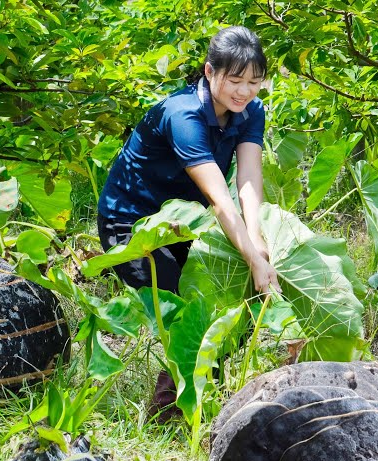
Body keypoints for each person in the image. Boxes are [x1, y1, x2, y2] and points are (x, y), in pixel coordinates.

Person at [96, 25, 278, 297]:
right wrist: (253, 259)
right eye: (235, 80)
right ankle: (117, 271)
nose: (244, 91)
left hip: (183, 223)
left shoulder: (252, 110)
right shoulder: (183, 115)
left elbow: (249, 176)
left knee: (225, 295)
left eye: (254, 82)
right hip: (132, 222)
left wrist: (255, 239)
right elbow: (219, 199)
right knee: (177, 302)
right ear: (209, 72)